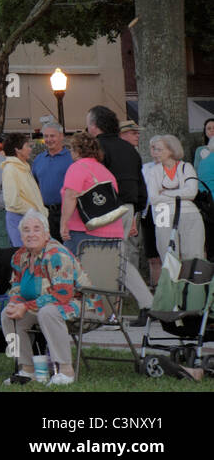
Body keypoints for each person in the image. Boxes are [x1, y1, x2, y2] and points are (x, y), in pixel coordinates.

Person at [2, 211, 91, 386]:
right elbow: (16, 286)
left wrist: (26, 306)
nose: (31, 234)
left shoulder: (57, 255)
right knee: (7, 314)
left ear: (47, 234)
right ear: (20, 235)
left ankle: (66, 371)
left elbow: (63, 294)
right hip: (39, 305)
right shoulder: (20, 257)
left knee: (48, 312)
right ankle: (26, 369)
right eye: (26, 230)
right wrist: (15, 303)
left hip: (79, 301)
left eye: (36, 229)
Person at [86, 105, 153, 316]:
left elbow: (94, 182)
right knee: (119, 259)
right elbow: (141, 186)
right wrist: (135, 212)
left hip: (107, 211)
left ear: (95, 126)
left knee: (109, 261)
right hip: (128, 208)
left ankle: (110, 311)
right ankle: (147, 303)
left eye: (88, 123)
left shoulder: (97, 149)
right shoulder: (129, 150)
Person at [59, 131, 126, 255]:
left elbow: (71, 196)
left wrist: (63, 223)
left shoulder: (77, 167)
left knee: (75, 271)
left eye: (71, 148)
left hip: (84, 233)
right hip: (113, 232)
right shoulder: (106, 171)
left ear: (77, 150)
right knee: (106, 273)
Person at [144, 134, 205, 261]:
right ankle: (171, 281)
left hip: (189, 213)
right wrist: (181, 194)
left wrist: (165, 193)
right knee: (168, 256)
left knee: (193, 255)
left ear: (172, 150)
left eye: (159, 150)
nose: (155, 153)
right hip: (162, 214)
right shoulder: (153, 171)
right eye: (154, 149)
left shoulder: (186, 167)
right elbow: (154, 198)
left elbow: (192, 192)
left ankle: (192, 280)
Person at [1, 133, 48, 247]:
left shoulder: (23, 167)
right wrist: (36, 212)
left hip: (29, 218)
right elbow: (13, 202)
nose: (30, 150)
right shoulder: (10, 169)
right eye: (27, 146)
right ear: (18, 150)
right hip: (20, 220)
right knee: (24, 257)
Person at [31, 123, 73, 241]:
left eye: (52, 136)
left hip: (67, 213)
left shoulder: (71, 158)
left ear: (61, 136)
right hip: (45, 213)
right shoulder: (39, 159)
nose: (49, 140)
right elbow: (34, 184)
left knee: (68, 249)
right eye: (46, 136)